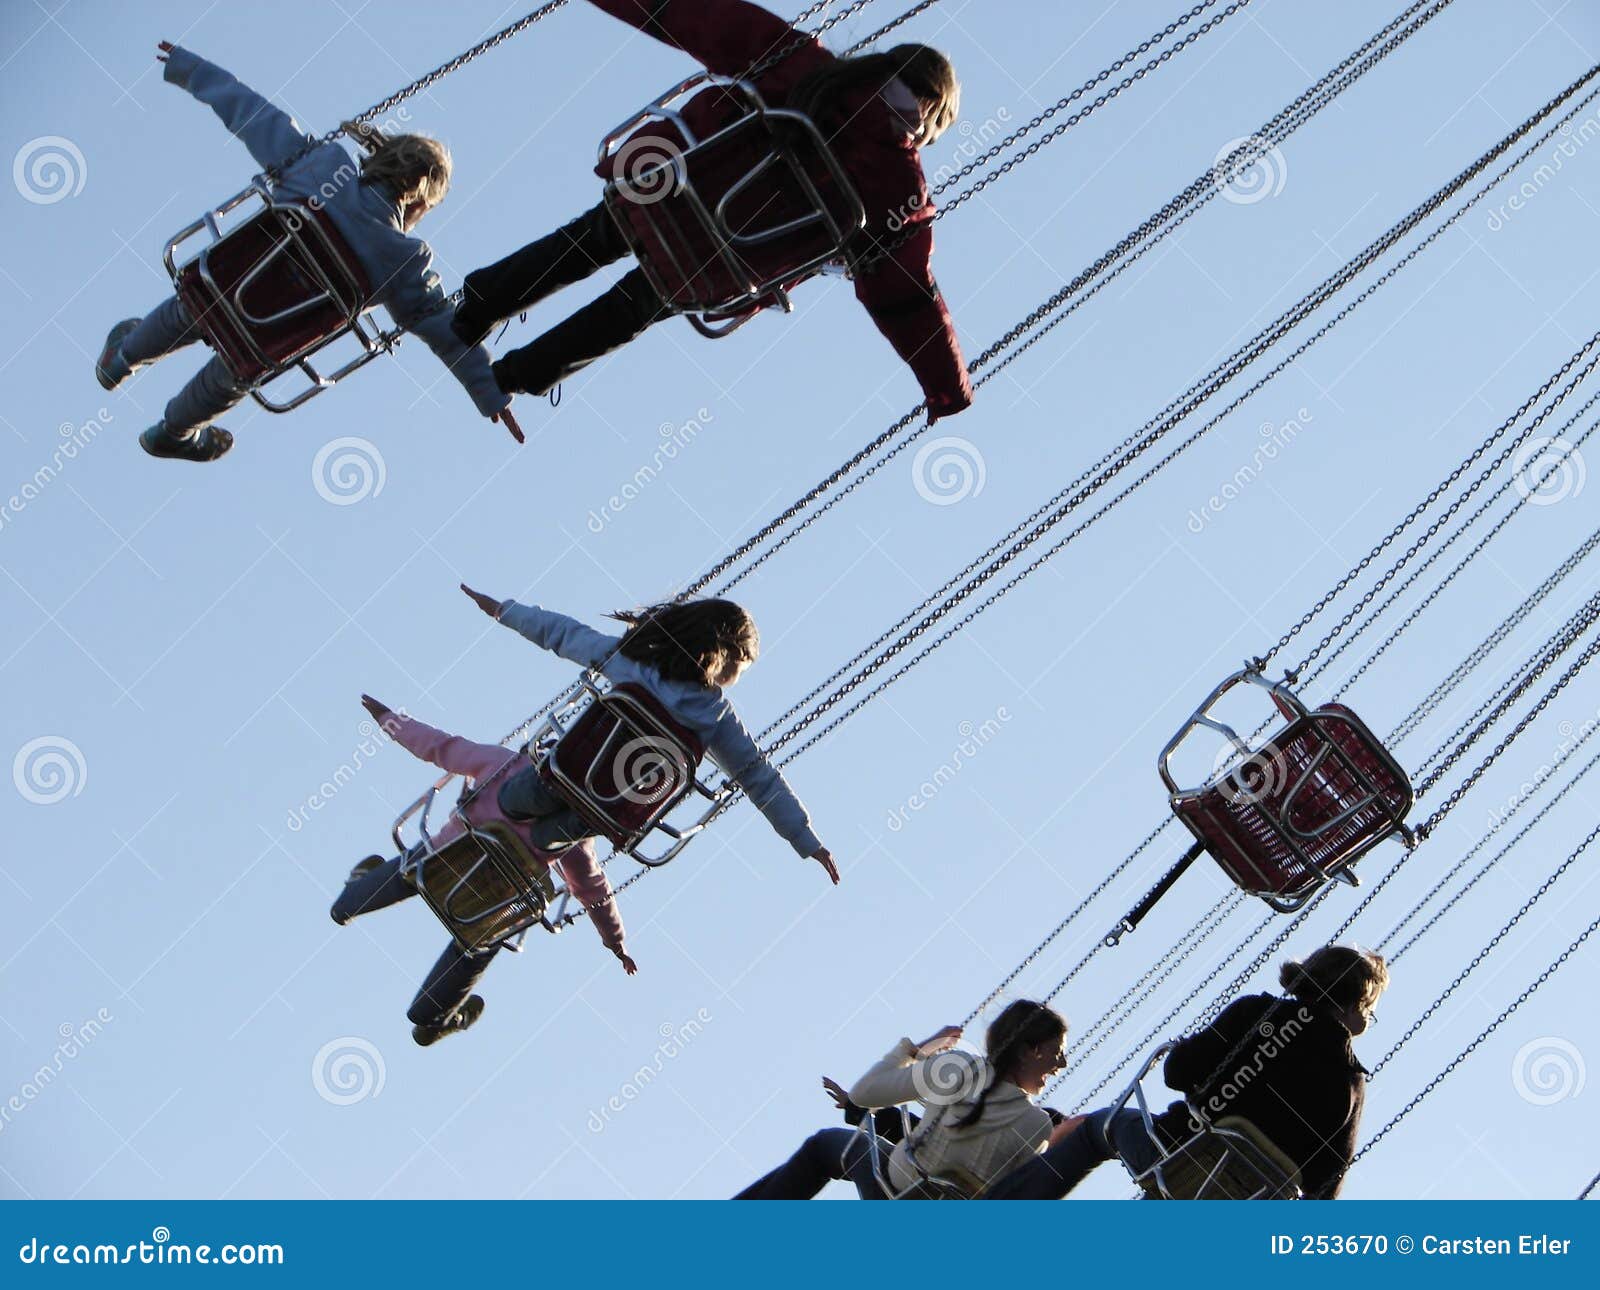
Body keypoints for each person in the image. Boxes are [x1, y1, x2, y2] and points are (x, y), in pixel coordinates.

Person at [453, 0, 972, 418]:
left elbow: (698, 16)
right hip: (710, 265)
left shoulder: (806, 67)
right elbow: (906, 299)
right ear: (931, 120)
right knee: (630, 311)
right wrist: (948, 390)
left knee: (587, 238)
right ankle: (515, 377)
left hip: (665, 188)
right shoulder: (899, 190)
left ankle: (478, 306)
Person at [96, 41, 522, 463]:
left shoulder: (324, 167)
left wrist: (193, 70)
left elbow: (256, 116)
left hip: (224, 284)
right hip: (271, 336)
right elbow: (446, 332)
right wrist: (491, 391)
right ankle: (172, 431)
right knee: (235, 371)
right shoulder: (405, 260)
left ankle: (123, 357)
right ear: (420, 203)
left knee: (191, 309)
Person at [459, 584, 839, 883]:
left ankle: (480, 843)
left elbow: (563, 634)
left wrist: (502, 610)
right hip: (610, 807)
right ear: (728, 657)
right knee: (545, 840)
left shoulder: (632, 663)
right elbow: (758, 777)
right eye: (743, 667)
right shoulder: (715, 716)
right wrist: (805, 840)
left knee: (510, 802)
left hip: (567, 772)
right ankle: (510, 855)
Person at [330, 696, 632, 1047]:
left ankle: (357, 891)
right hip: (487, 905)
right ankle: (433, 1020)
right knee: (480, 940)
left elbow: (440, 748)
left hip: (439, 865)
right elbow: (592, 890)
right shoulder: (574, 842)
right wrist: (616, 943)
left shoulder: (505, 764)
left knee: (399, 877)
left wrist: (390, 721)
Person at [985, 945, 1390, 1200]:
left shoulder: (1258, 1012)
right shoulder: (1350, 1081)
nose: (1370, 1017)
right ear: (1354, 1004)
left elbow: (1176, 1073)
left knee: (1099, 1128)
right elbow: (1326, 1183)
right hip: (1248, 1205)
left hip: (1177, 1153)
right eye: (1370, 1007)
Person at [735, 1001, 1069, 1199]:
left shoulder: (958, 1068)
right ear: (1030, 1050)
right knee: (869, 1143)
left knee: (825, 1146)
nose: (1062, 1065)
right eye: (1058, 1053)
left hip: (894, 1187)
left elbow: (866, 1093)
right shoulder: (1037, 1124)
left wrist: (913, 1051)